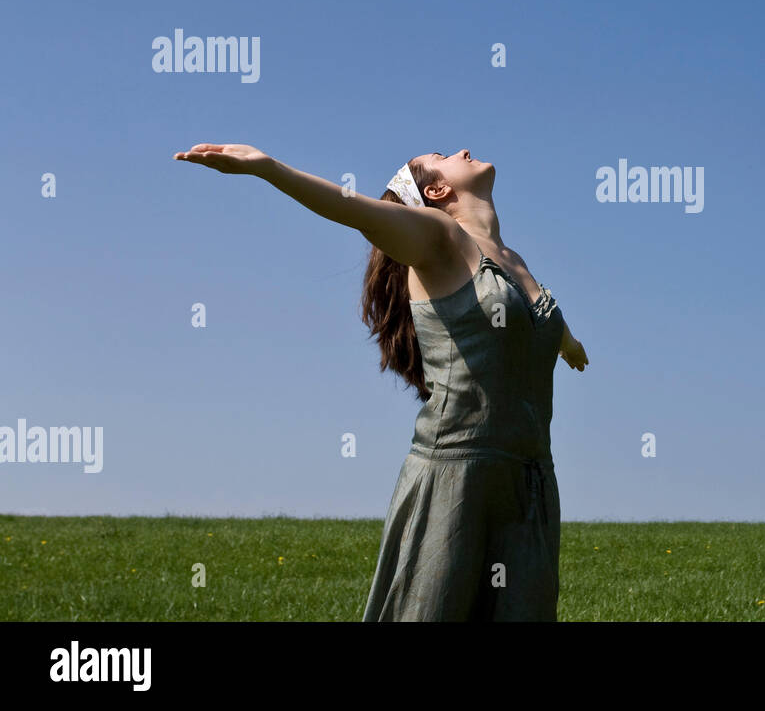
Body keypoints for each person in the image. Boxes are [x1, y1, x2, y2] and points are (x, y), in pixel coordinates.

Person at [172, 142, 588, 621]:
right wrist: (269, 169)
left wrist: (567, 342)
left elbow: (532, 315)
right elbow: (356, 211)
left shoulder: (513, 259)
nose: (464, 149)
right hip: (457, 478)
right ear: (436, 189)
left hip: (529, 481)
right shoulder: (439, 240)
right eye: (445, 155)